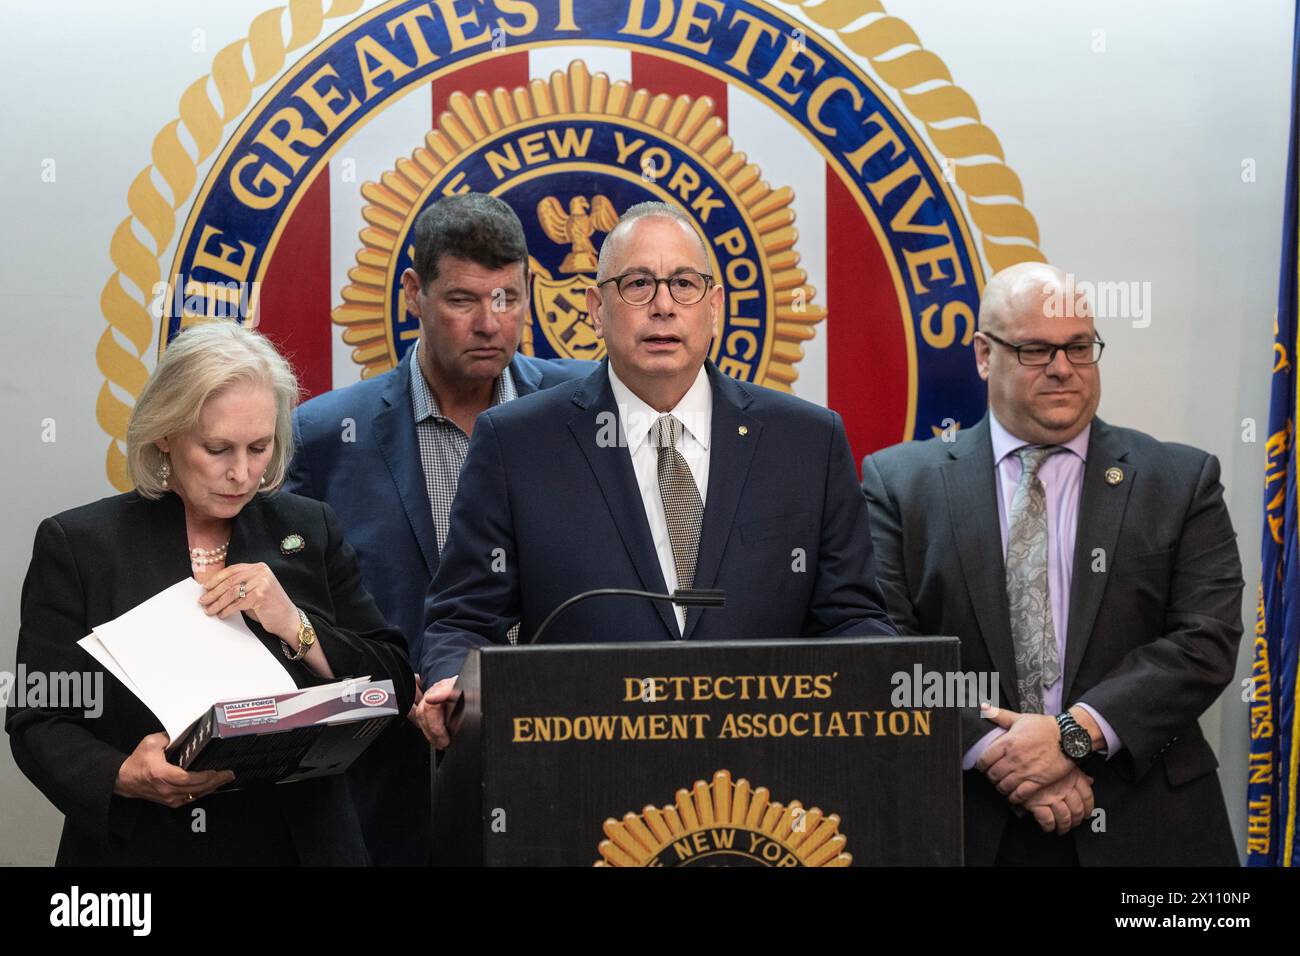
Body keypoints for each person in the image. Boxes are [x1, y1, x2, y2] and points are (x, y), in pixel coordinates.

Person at [413, 201, 897, 748]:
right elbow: (463, 621)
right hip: (580, 768)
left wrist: (913, 686)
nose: (663, 306)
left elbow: (851, 621)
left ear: (714, 306)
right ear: (595, 307)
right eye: (638, 283)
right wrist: (454, 681)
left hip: (768, 780)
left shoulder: (807, 442)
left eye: (684, 284)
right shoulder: (517, 443)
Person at [861, 262, 1243, 866]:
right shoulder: (900, 485)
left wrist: (1072, 736)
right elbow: (883, 648)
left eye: (1079, 347)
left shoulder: (1181, 480)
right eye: (1035, 349)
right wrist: (995, 749)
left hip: (1150, 829)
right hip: (968, 826)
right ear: (985, 355)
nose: (1062, 368)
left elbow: (1206, 640)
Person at [6, 322, 415, 865]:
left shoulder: (309, 528)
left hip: (299, 842)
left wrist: (295, 623)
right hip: (148, 849)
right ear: (166, 434)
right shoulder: (81, 546)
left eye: (260, 447)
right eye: (218, 448)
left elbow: (392, 684)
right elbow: (40, 718)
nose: (242, 473)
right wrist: (124, 775)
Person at [286, 192, 591, 864]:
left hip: (566, 769)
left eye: (508, 298)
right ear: (413, 294)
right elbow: (299, 620)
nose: (490, 323)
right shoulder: (324, 439)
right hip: (390, 790)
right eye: (463, 300)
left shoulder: (584, 412)